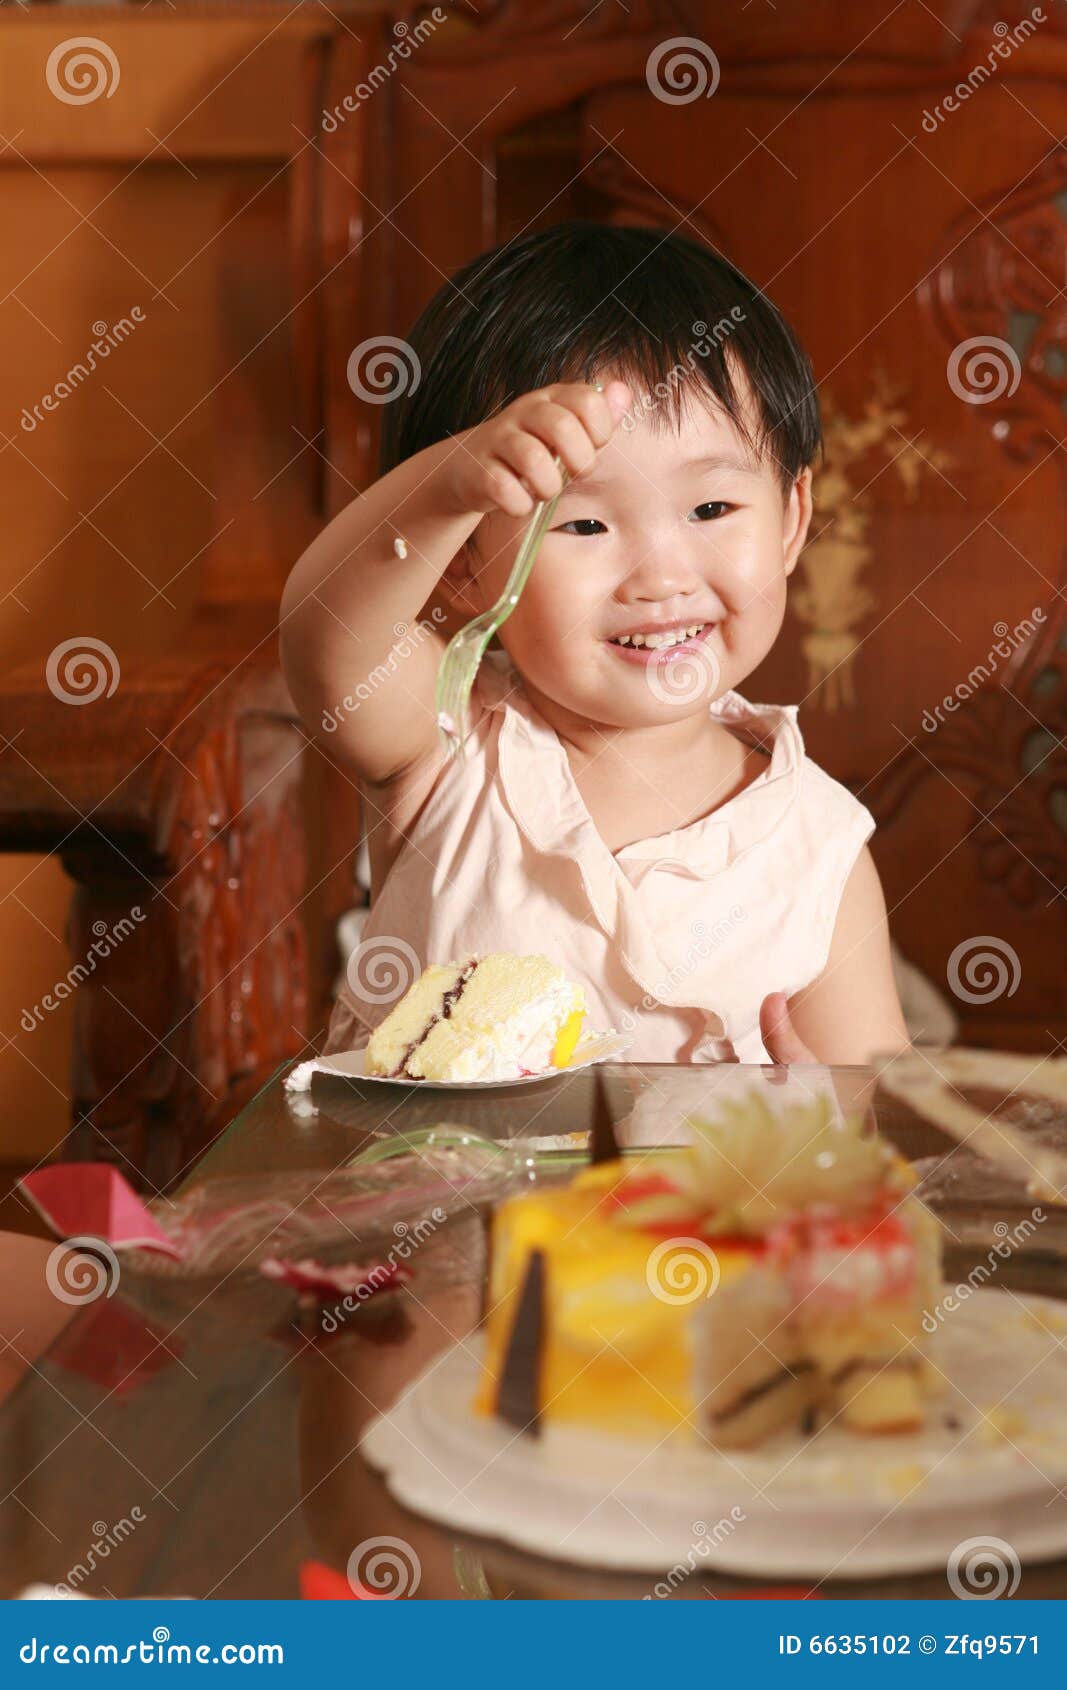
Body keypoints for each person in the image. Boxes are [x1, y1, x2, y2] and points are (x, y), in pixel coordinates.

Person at [280, 221, 909, 1066]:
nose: (660, 577)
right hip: (441, 1199)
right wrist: (446, 484)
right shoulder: (447, 741)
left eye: (711, 511)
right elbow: (331, 634)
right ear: (463, 565)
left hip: (714, 1201)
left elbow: (875, 1110)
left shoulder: (816, 844)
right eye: (581, 522)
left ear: (792, 523)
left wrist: (826, 1135)